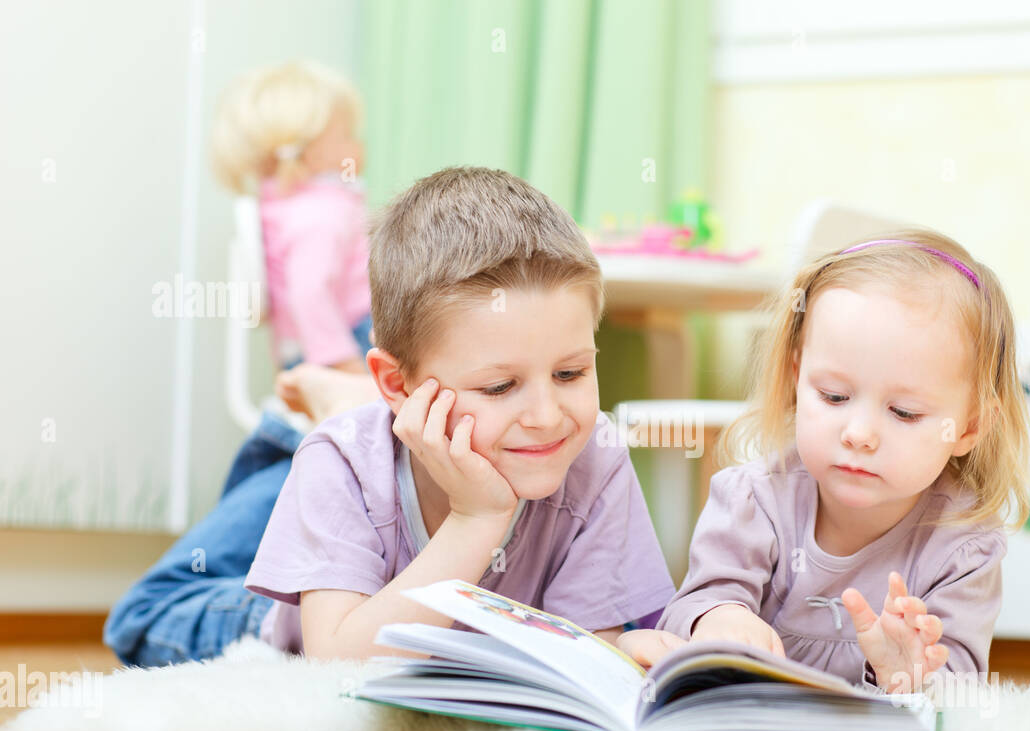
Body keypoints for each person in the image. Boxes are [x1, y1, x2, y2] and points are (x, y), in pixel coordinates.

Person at [105, 166, 680, 667]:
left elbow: (577, 657)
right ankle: (310, 426)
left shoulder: (595, 455)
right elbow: (339, 662)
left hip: (374, 466)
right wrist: (476, 519)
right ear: (399, 385)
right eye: (500, 386)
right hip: (270, 613)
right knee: (143, 616)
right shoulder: (346, 462)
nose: (547, 416)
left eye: (571, 373)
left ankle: (346, 405)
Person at [650, 228, 1030, 694]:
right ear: (797, 378)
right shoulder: (755, 499)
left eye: (903, 412)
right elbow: (691, 608)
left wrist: (907, 673)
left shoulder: (962, 546)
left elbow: (960, 691)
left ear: (970, 426)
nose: (858, 435)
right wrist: (721, 618)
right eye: (834, 396)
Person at [211, 59, 373, 372]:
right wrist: (344, 364)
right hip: (346, 345)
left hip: (314, 348)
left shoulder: (288, 206)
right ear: (309, 153)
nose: (359, 145)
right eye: (347, 135)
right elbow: (310, 294)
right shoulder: (320, 215)